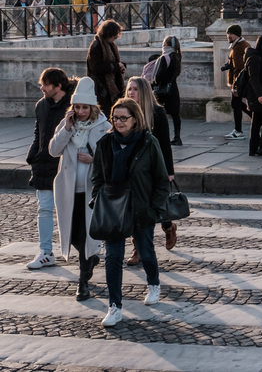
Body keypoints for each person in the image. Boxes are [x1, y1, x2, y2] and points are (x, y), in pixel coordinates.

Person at [92, 98, 169, 328]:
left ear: (135, 119)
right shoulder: (105, 143)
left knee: (145, 250)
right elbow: (97, 176)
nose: (119, 122)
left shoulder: (148, 142)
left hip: (141, 207)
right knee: (113, 258)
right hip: (113, 209)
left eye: (124, 118)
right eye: (115, 118)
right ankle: (114, 306)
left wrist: (154, 208)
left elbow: (161, 180)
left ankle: (154, 283)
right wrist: (97, 199)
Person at [47, 77, 110, 300]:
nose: (81, 111)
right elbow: (53, 150)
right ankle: (91, 258)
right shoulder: (67, 125)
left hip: (91, 192)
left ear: (92, 107)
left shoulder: (104, 127)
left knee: (85, 237)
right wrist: (66, 128)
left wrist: (93, 159)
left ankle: (82, 281)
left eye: (84, 107)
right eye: (77, 107)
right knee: (72, 234)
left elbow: (110, 158)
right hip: (67, 190)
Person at [24, 68, 77, 270]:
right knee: (44, 209)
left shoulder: (74, 106)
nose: (41, 88)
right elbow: (38, 133)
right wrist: (33, 156)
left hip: (65, 165)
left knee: (73, 211)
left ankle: (87, 251)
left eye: (45, 85)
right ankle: (46, 252)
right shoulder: (41, 106)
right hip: (43, 164)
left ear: (58, 87)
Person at [125, 76, 177, 258]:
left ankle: (169, 227)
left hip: (153, 168)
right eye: (129, 89)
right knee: (136, 209)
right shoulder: (124, 111)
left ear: (144, 91)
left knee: (159, 208)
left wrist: (169, 171)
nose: (131, 92)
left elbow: (164, 144)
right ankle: (137, 247)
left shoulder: (157, 112)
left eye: (135, 89)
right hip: (132, 170)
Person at [87, 20, 126, 116]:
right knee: (105, 112)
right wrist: (116, 66)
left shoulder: (110, 44)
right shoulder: (97, 45)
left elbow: (114, 62)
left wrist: (121, 66)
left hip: (111, 85)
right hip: (101, 86)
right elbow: (96, 67)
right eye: (115, 34)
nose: (116, 37)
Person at [221, 24, 250, 140]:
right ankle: (257, 119)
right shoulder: (241, 45)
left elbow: (239, 67)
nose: (228, 36)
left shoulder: (238, 47)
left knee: (236, 104)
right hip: (242, 81)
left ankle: (238, 131)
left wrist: (235, 86)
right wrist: (228, 66)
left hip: (239, 82)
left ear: (236, 34)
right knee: (237, 104)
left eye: (230, 34)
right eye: (228, 34)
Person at [153, 35, 183, 145]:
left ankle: (161, 136)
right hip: (173, 88)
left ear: (165, 44)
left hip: (162, 90)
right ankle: (177, 137)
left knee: (159, 114)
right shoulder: (177, 56)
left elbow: (158, 76)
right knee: (175, 114)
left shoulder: (164, 57)